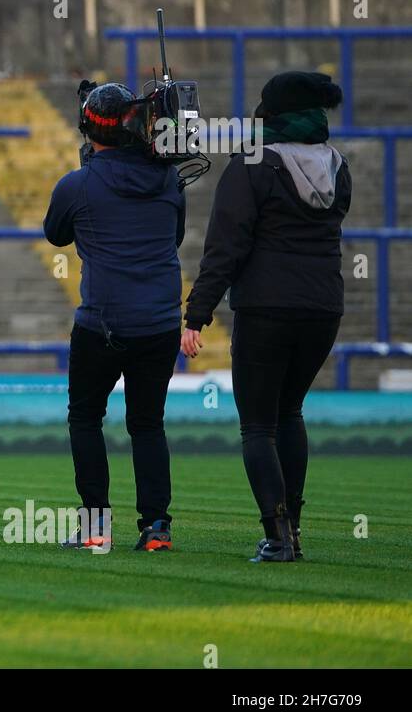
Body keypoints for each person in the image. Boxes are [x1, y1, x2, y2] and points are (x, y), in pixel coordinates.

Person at [182, 71, 350, 563]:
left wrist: (197, 313)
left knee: (258, 425)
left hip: (265, 308)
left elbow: (225, 248)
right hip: (323, 308)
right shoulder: (339, 167)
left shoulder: (251, 164)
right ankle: (292, 530)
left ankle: (277, 537)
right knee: (290, 411)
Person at [43, 81, 186, 552]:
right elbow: (175, 234)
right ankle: (157, 527)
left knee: (85, 418)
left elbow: (55, 235)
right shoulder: (168, 180)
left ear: (88, 128)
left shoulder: (77, 184)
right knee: (148, 423)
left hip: (101, 323)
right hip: (161, 323)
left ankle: (95, 526)